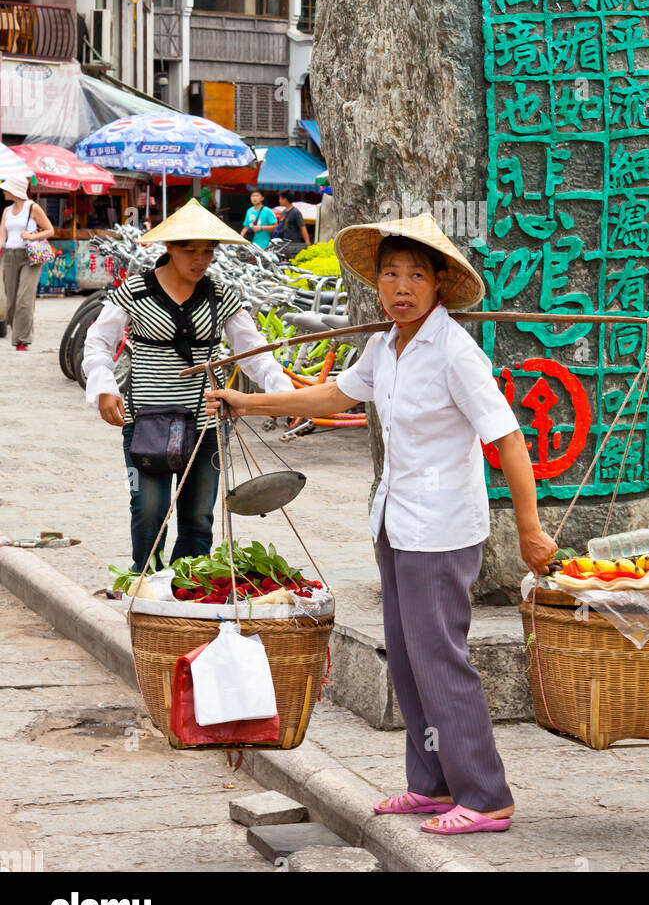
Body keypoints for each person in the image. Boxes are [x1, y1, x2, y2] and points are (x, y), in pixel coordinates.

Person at [206, 212, 557, 837]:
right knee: (407, 659)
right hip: (395, 522)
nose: (400, 287)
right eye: (390, 274)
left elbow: (507, 438)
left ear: (439, 286)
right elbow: (332, 398)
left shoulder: (454, 351)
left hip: (442, 529)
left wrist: (530, 530)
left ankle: (485, 794)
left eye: (414, 276)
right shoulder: (384, 346)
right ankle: (430, 784)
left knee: (440, 658)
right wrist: (247, 399)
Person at [82, 198, 289, 574]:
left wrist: (283, 392)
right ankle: (145, 581)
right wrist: (103, 386)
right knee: (148, 508)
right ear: (169, 249)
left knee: (198, 515)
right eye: (190, 250)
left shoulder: (221, 298)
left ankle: (186, 587)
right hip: (147, 422)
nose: (200, 260)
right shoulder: (134, 291)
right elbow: (98, 341)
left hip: (206, 423)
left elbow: (254, 352)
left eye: (207, 251)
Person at [0, 174, 54, 352]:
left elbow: (49, 230)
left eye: (6, 188)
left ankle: (22, 341)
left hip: (30, 256)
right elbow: (2, 236)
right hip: (9, 255)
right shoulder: (7, 211)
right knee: (10, 303)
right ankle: (19, 333)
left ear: (14, 189)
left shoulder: (33, 208)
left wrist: (32, 235)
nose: (3, 191)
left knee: (24, 299)